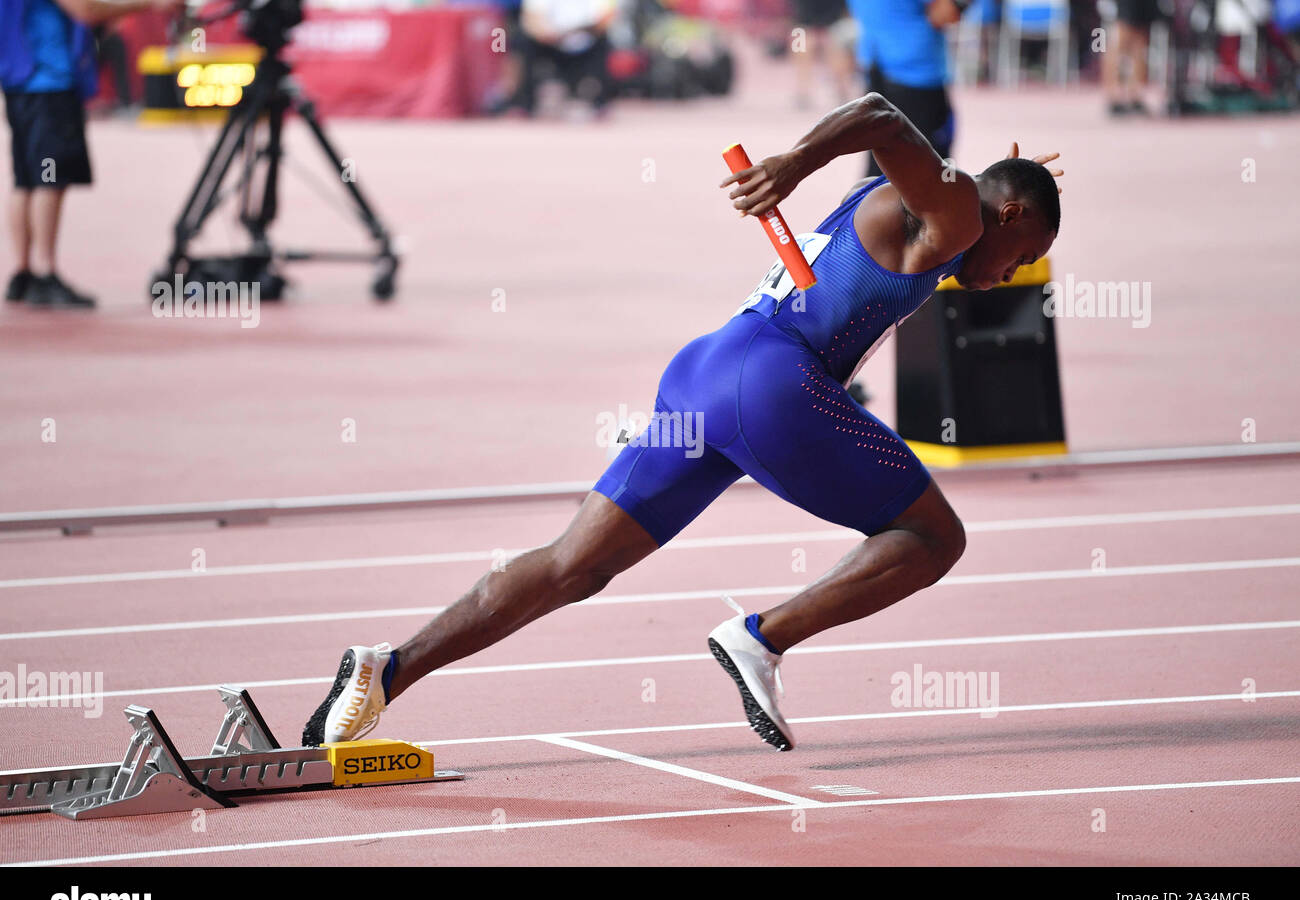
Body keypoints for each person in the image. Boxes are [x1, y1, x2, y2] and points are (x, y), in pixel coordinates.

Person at [302, 93, 1062, 753]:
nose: (1009, 275)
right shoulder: (960, 211)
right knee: (936, 538)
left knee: (574, 566)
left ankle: (386, 670)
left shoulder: (937, 204)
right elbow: (880, 115)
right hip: (772, 381)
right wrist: (791, 165)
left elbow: (893, 144)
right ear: (1012, 214)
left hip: (705, 372)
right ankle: (761, 640)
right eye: (1024, 254)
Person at [1, 0, 176, 308]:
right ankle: (45, 271)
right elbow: (86, 9)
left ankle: (24, 272)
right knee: (48, 178)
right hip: (48, 85)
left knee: (27, 179)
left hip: (23, 84)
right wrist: (148, 3)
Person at [847, 0, 965, 177]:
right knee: (932, 167)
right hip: (916, 72)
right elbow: (944, 14)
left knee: (880, 161)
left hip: (876, 62)